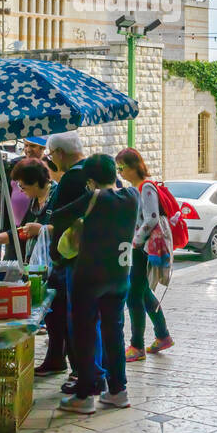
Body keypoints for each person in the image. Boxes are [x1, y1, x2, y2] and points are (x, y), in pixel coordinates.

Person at [53, 153, 138, 413]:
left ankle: (85, 395)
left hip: (90, 276)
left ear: (90, 181)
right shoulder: (132, 196)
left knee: (85, 333)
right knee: (114, 331)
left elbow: (58, 216)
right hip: (121, 276)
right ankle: (118, 390)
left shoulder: (94, 197)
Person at [34, 131, 92, 383]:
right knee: (60, 313)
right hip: (85, 257)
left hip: (70, 258)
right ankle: (60, 360)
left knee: (69, 316)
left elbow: (60, 216)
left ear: (58, 153)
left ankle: (78, 370)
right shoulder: (91, 173)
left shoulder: (73, 178)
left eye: (50, 154)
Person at [115, 147, 174, 362]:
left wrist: (136, 241)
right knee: (143, 292)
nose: (119, 172)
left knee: (134, 295)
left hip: (142, 248)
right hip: (140, 247)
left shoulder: (145, 187)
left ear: (133, 166)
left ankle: (137, 346)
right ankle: (162, 335)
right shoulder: (137, 188)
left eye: (121, 167)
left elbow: (151, 218)